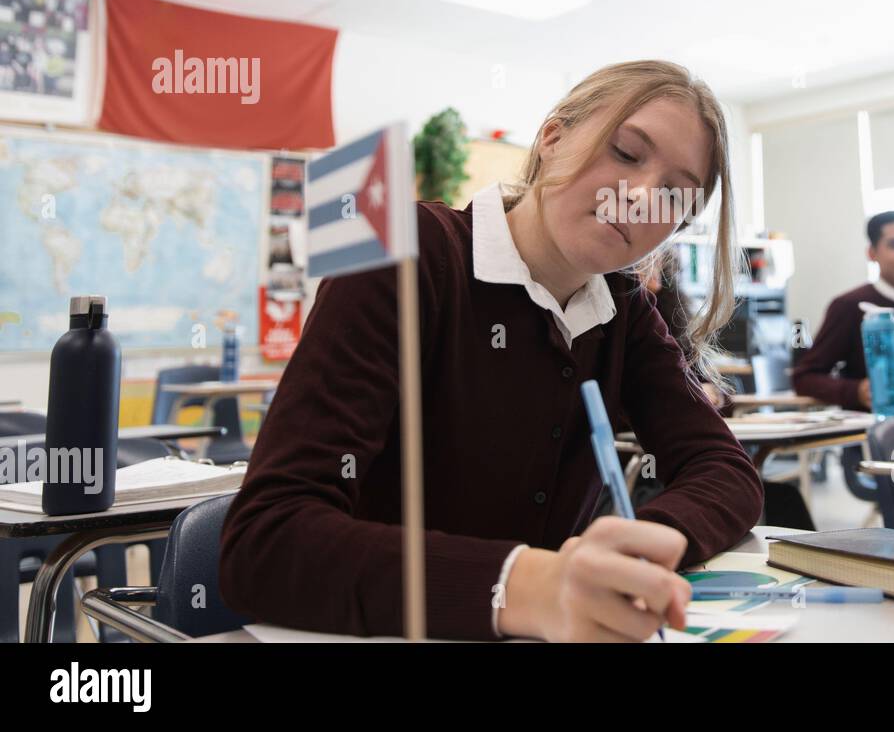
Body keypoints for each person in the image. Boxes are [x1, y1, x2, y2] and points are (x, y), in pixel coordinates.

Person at [220, 60, 764, 642]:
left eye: (676, 195)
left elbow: (724, 469)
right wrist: (526, 585)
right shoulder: (407, 260)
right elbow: (266, 544)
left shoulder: (621, 304)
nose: (639, 198)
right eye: (626, 154)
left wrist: (644, 542)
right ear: (553, 138)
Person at [791, 210, 894, 412]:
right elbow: (805, 377)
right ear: (872, 253)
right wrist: (857, 391)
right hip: (876, 429)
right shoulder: (849, 305)